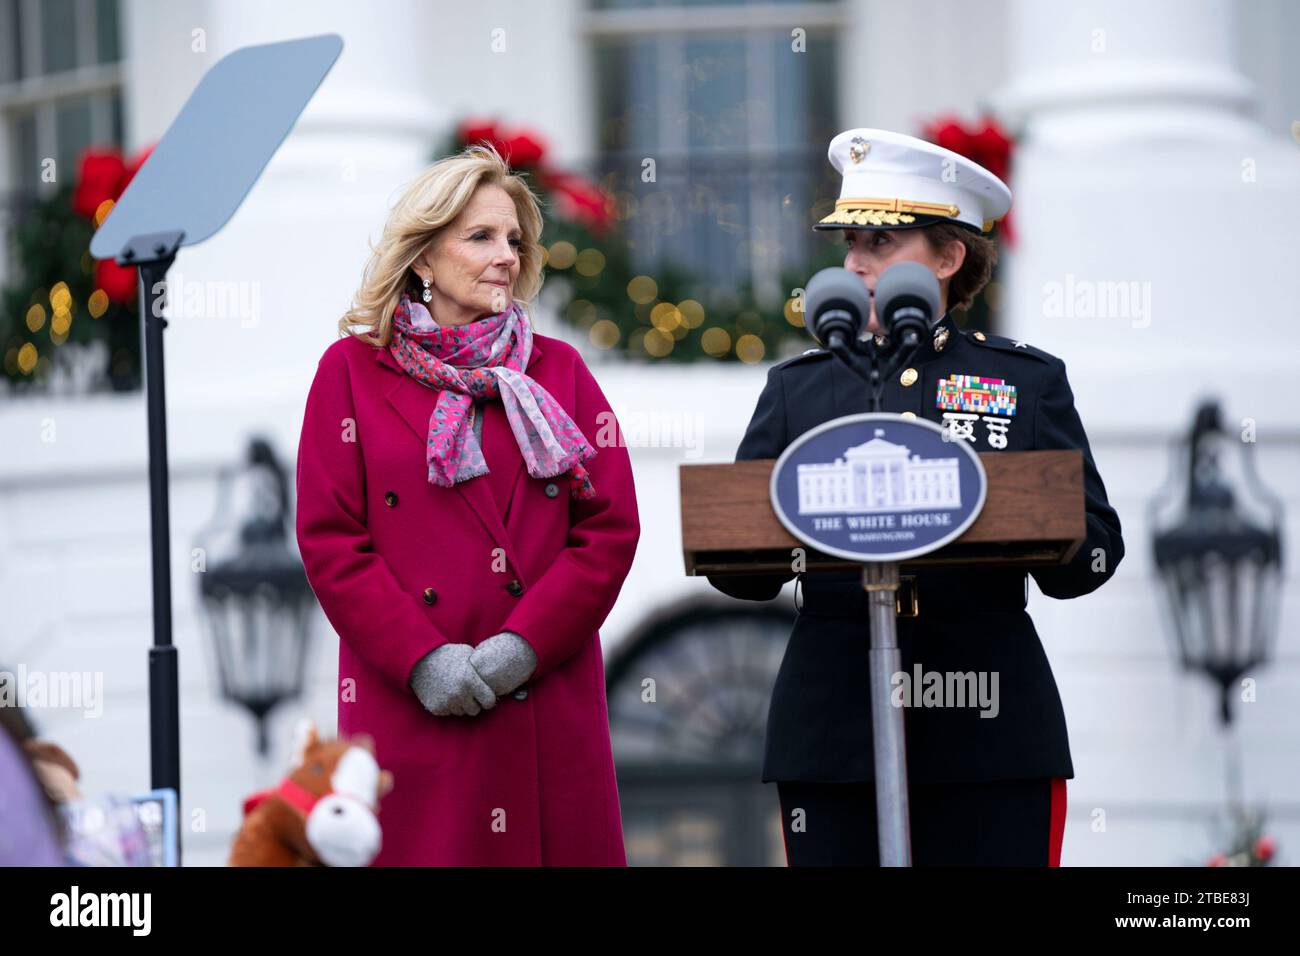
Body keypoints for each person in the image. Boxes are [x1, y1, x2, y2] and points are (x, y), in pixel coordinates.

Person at [708, 128, 1124, 866]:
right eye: (851, 244)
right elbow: (742, 570)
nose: (857, 262)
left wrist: (1035, 524)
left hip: (988, 727)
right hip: (837, 733)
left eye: (882, 242)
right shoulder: (799, 388)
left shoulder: (1024, 382)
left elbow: (1093, 551)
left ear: (949, 256)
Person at [295, 144, 640, 866]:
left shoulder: (561, 372)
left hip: (543, 701)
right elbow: (332, 541)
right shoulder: (350, 374)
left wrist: (524, 646)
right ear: (423, 257)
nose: (506, 256)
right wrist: (422, 660)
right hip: (413, 706)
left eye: (515, 239)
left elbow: (608, 530)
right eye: (481, 236)